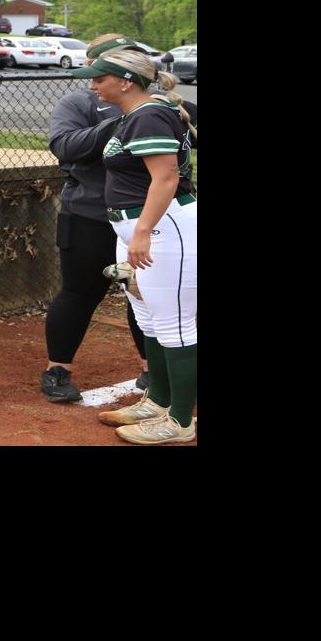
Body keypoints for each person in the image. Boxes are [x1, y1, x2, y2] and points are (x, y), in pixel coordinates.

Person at [70, 47, 197, 443]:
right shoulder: (137, 114)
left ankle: (180, 421)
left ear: (126, 81)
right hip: (140, 228)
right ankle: (157, 400)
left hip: (163, 228)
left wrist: (141, 232)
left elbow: (166, 178)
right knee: (150, 318)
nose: (92, 85)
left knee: (175, 322)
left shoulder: (149, 115)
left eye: (99, 78)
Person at [41, 34, 157, 403]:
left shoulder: (153, 104)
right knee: (79, 292)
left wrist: (151, 110)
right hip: (90, 212)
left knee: (145, 295)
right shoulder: (79, 102)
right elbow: (65, 145)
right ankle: (58, 370)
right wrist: (121, 119)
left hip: (144, 217)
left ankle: (152, 370)